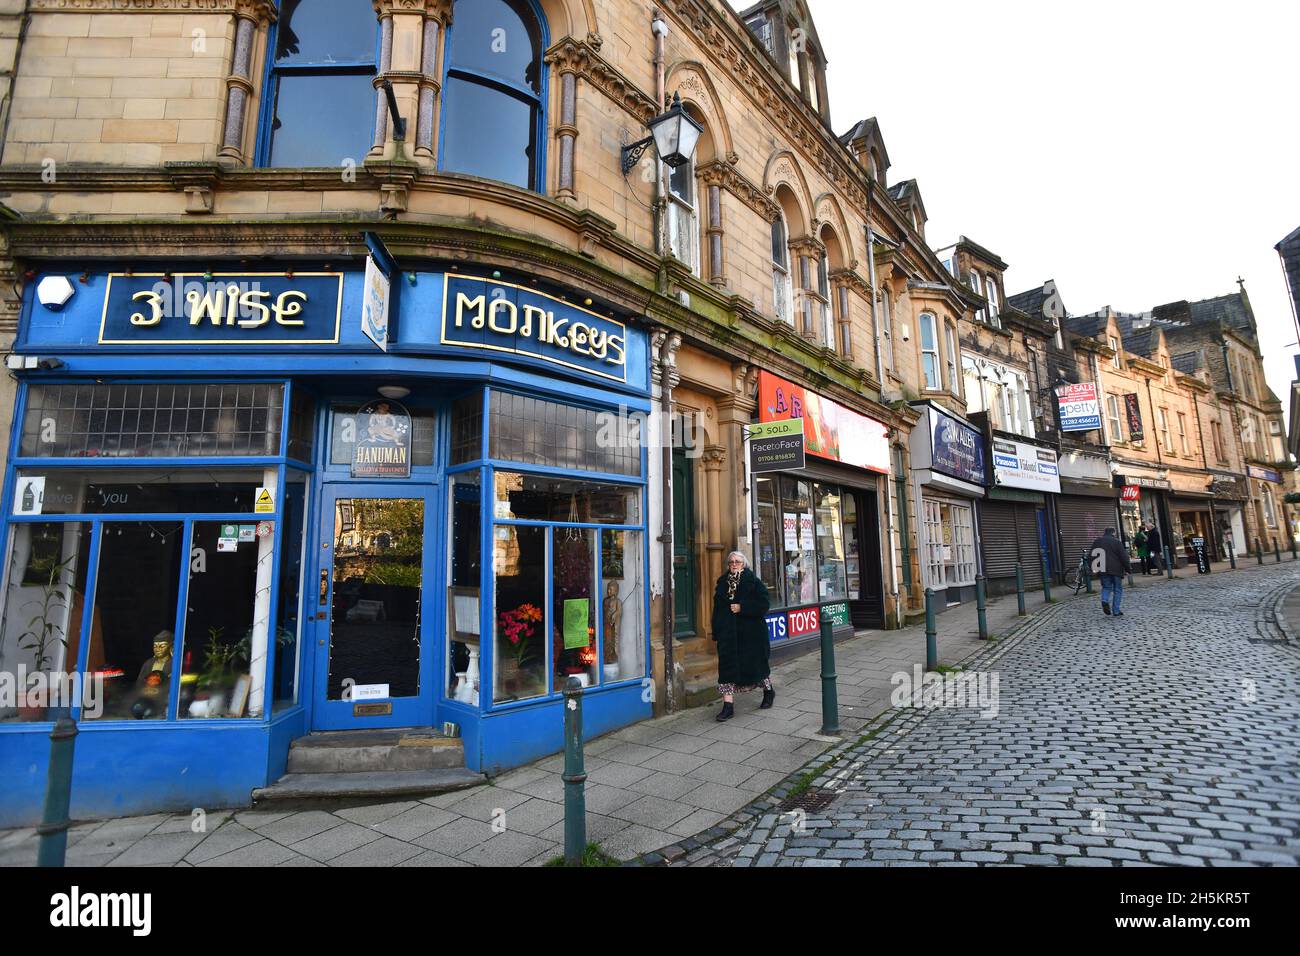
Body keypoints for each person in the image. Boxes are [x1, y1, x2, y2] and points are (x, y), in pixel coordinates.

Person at [711, 550, 772, 722]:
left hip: (751, 635)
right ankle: (727, 706)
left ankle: (768, 692)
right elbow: (717, 611)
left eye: (737, 561)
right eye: (731, 562)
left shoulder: (753, 582)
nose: (734, 564)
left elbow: (764, 604)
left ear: (744, 564)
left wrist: (742, 607)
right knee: (726, 670)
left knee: (757, 667)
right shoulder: (722, 583)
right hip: (728, 635)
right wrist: (717, 631)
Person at [1089, 527, 1132, 617]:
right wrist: (1128, 569)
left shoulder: (1097, 542)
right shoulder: (1117, 542)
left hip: (1103, 569)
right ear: (1113, 533)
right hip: (1116, 569)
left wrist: (1094, 569)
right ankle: (1116, 611)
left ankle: (1104, 600)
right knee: (1117, 589)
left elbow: (1092, 556)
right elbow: (1124, 557)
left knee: (1106, 587)